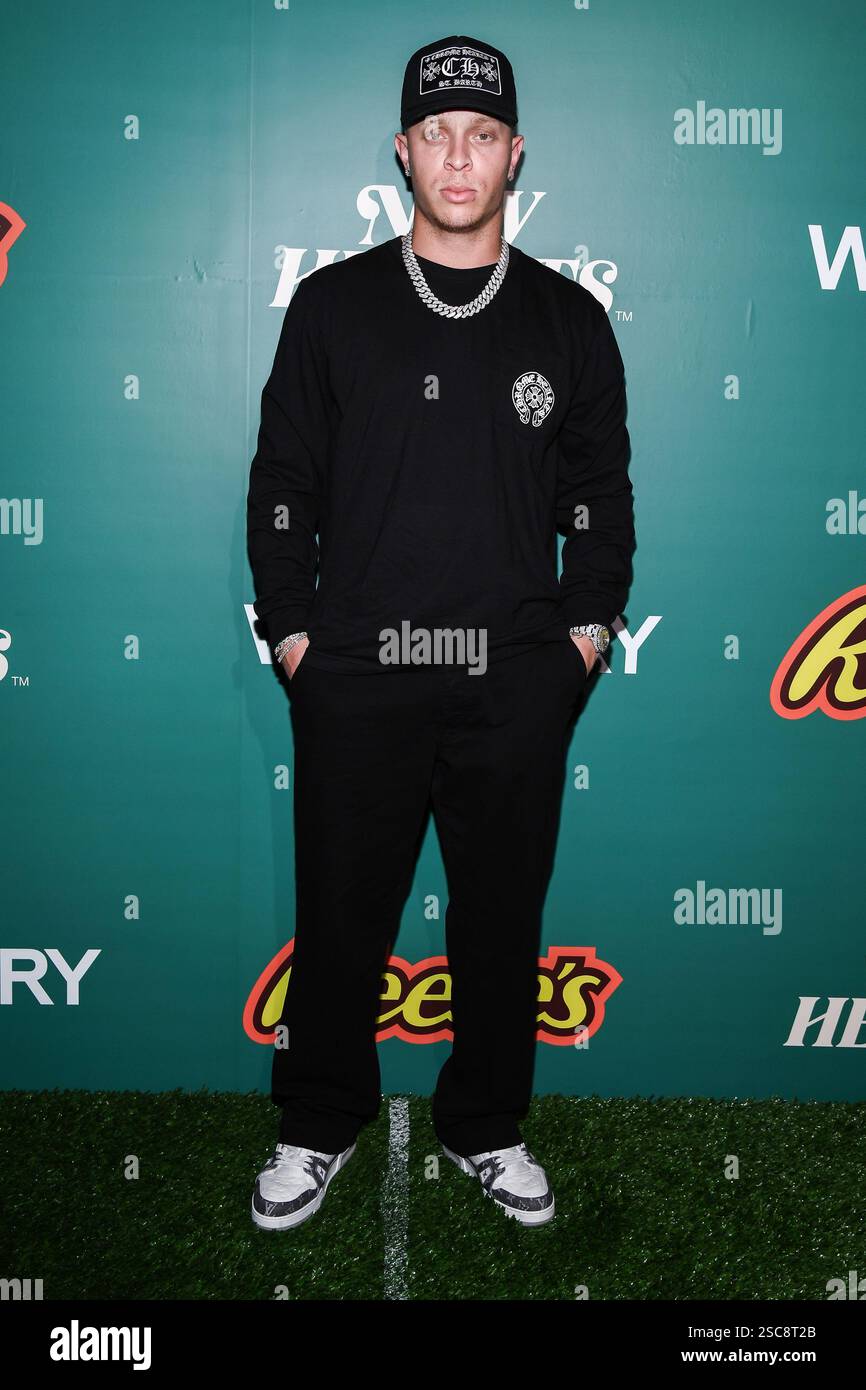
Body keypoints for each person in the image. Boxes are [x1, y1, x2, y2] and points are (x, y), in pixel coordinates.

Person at [246, 33, 635, 1231]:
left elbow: (602, 497)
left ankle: (486, 1125)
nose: (457, 157)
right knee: (342, 910)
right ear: (403, 151)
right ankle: (316, 1123)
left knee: (499, 916)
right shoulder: (331, 307)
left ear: (513, 154)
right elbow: (281, 488)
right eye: (436, 134)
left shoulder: (569, 320)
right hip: (358, 673)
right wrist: (297, 641)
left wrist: (579, 639)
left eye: (481, 134)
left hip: (512, 677)